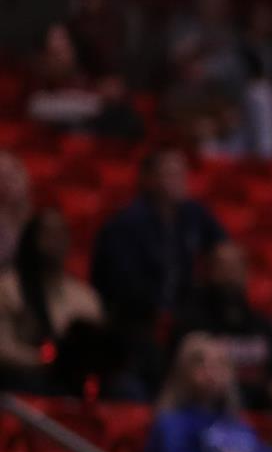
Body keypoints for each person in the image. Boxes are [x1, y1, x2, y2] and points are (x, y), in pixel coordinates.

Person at [89, 143, 226, 392]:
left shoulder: (192, 215)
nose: (179, 180)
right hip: (134, 326)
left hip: (178, 323)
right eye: (170, 173)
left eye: (182, 173)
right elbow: (122, 288)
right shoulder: (126, 224)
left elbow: (224, 250)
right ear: (148, 179)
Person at [171, 237, 272, 409]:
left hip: (260, 410)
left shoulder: (261, 324)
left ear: (246, 273)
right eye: (223, 268)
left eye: (235, 267)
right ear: (209, 273)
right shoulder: (191, 323)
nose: (230, 275)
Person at [0, 207, 112, 394]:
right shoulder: (8, 288)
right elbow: (3, 348)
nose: (56, 240)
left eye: (61, 233)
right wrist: (43, 361)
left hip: (77, 377)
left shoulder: (86, 297)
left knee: (126, 388)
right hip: (26, 375)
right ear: (31, 238)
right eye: (48, 233)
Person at [144, 331, 272, 452]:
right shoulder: (171, 424)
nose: (212, 371)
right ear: (182, 371)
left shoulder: (237, 425)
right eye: (200, 362)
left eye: (220, 363)